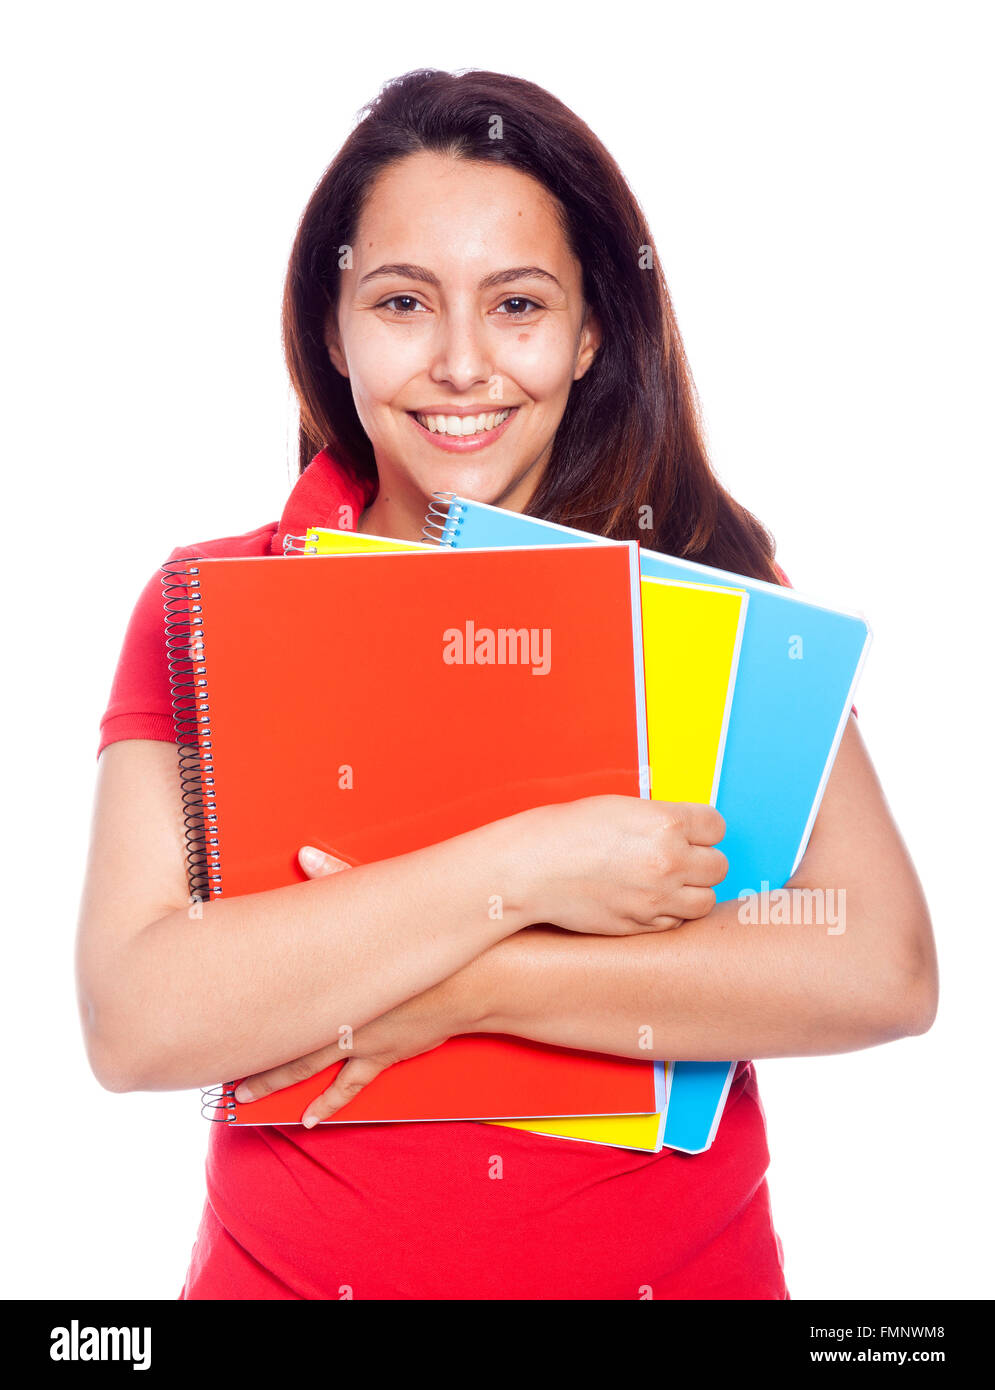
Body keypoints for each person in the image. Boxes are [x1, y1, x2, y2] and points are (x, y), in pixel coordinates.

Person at [76, 68, 938, 1300]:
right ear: (333, 326)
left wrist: (469, 985)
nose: (462, 364)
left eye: (517, 304)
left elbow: (877, 963)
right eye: (402, 302)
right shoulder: (206, 601)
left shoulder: (701, 596)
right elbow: (138, 1019)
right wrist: (525, 869)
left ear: (590, 333)